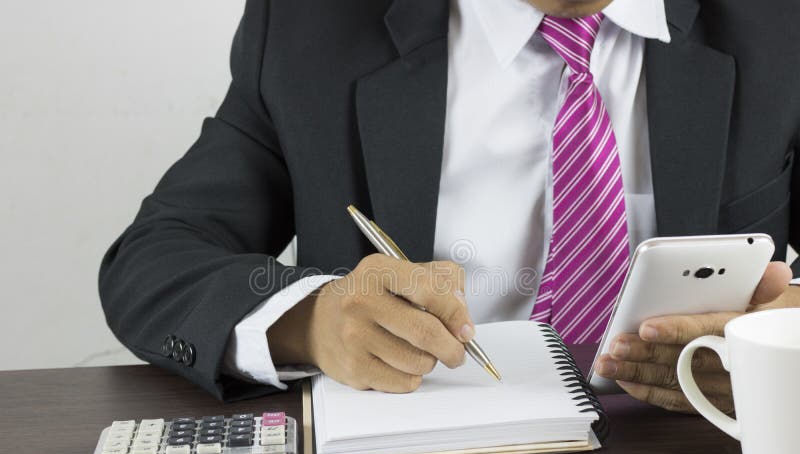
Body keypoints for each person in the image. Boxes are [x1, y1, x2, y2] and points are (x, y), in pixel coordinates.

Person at [100, 0, 800, 413]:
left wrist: (786, 339)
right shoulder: (309, 26)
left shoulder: (778, 26)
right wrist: (308, 320)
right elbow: (157, 257)